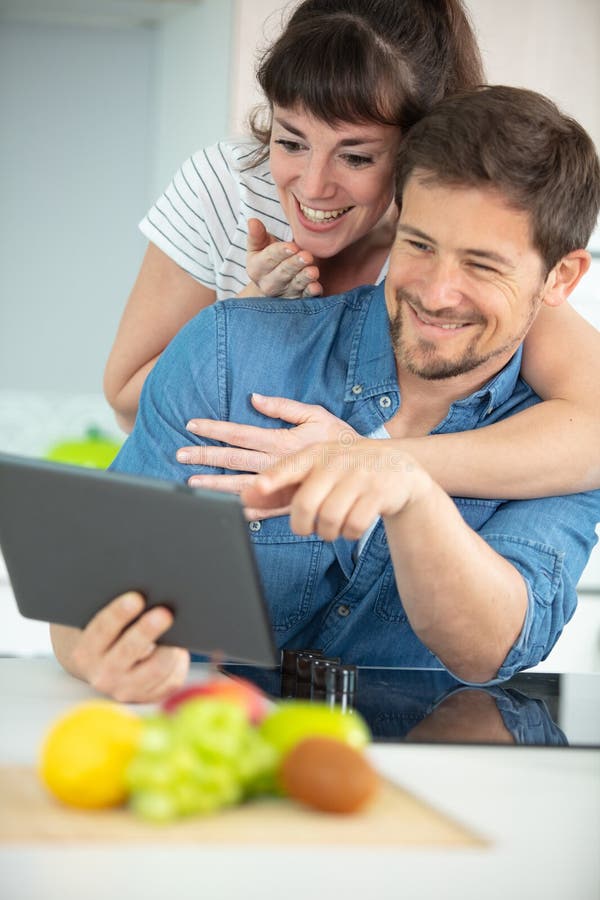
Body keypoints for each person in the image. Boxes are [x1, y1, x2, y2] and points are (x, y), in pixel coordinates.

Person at [51, 86, 600, 702]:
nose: (437, 292)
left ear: (562, 277)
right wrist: (100, 651)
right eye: (419, 245)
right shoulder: (229, 349)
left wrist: (409, 489)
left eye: (482, 264)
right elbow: (85, 602)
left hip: (413, 786)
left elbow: (489, 647)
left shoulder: (560, 442)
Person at [104, 0, 600, 508]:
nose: (314, 187)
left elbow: (593, 427)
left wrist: (366, 459)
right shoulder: (228, 191)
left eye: (356, 156)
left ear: (419, 149)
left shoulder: (441, 259)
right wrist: (252, 313)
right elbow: (126, 402)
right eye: (291, 142)